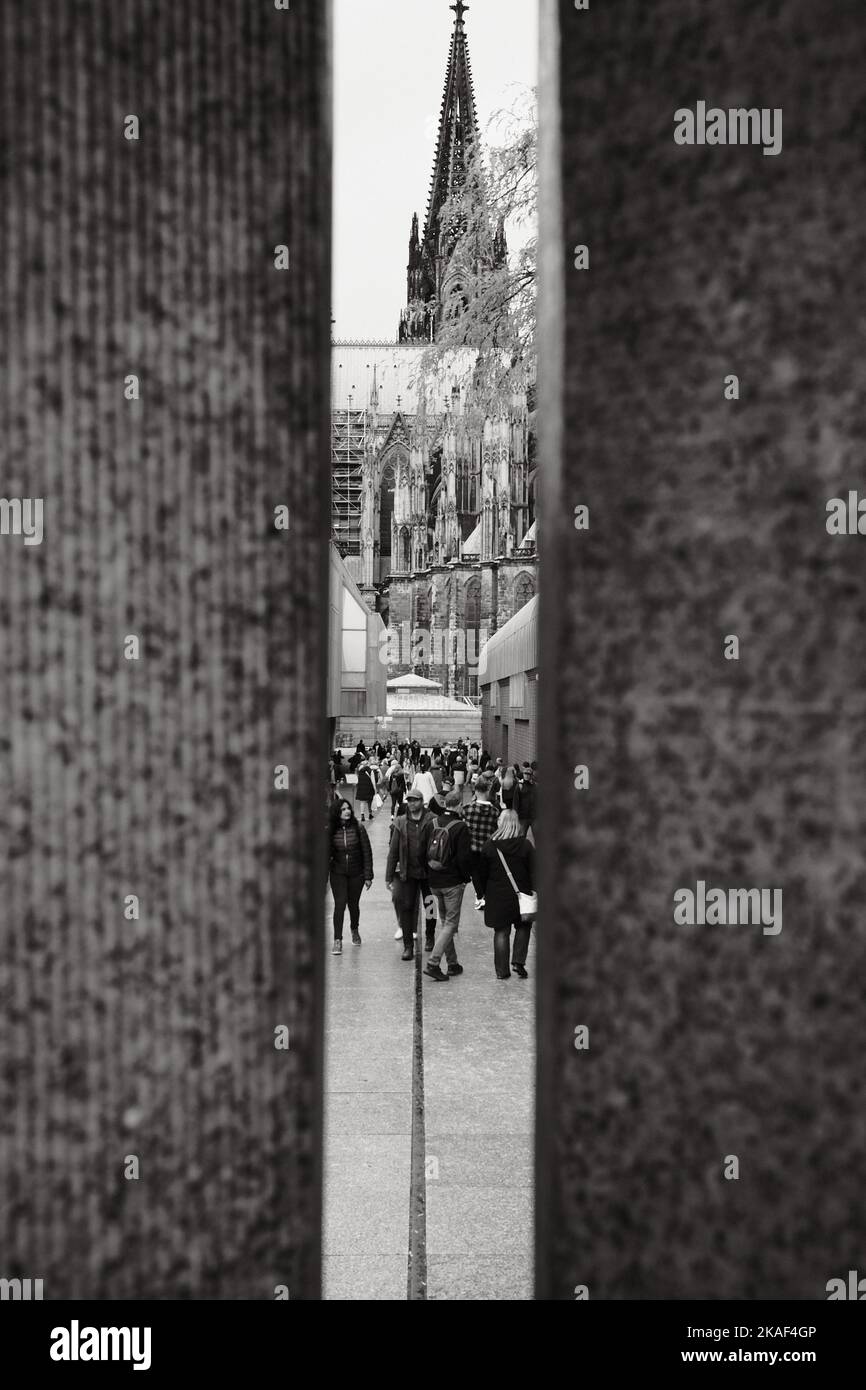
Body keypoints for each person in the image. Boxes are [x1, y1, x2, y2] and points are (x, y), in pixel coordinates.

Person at [475, 808, 535, 980]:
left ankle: (502, 971)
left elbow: (481, 873)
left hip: (497, 896)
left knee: (501, 932)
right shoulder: (525, 846)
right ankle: (518, 961)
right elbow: (534, 871)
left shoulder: (490, 846)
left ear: (501, 823)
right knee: (524, 926)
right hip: (521, 895)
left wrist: (482, 893)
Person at [424, 789, 473, 982]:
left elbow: (423, 852)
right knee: (451, 924)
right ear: (459, 804)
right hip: (452, 882)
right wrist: (465, 878)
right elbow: (463, 858)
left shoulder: (432, 824)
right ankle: (433, 963)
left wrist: (429, 872)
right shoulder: (460, 827)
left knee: (445, 924)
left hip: (434, 881)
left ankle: (452, 963)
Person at [386, 789, 436, 960]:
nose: (412, 803)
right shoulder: (400, 822)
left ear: (422, 801)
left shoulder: (432, 820)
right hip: (408, 872)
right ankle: (408, 946)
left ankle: (430, 936)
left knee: (429, 905)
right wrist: (389, 875)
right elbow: (393, 851)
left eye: (415, 800)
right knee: (406, 907)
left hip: (428, 872)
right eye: (410, 800)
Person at [327, 798, 373, 955]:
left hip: (356, 873)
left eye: (348, 808)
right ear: (337, 813)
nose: (347, 811)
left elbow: (367, 852)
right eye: (343, 809)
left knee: (353, 904)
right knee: (339, 904)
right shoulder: (330, 830)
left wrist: (368, 876)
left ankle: (354, 929)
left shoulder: (358, 828)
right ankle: (337, 940)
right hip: (338, 873)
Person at [461, 772, 500, 908]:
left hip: (472, 847)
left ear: (476, 790)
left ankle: (480, 896)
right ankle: (485, 895)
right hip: (488, 847)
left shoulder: (467, 809)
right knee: (485, 871)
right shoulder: (495, 811)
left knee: (475, 872)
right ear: (488, 791)